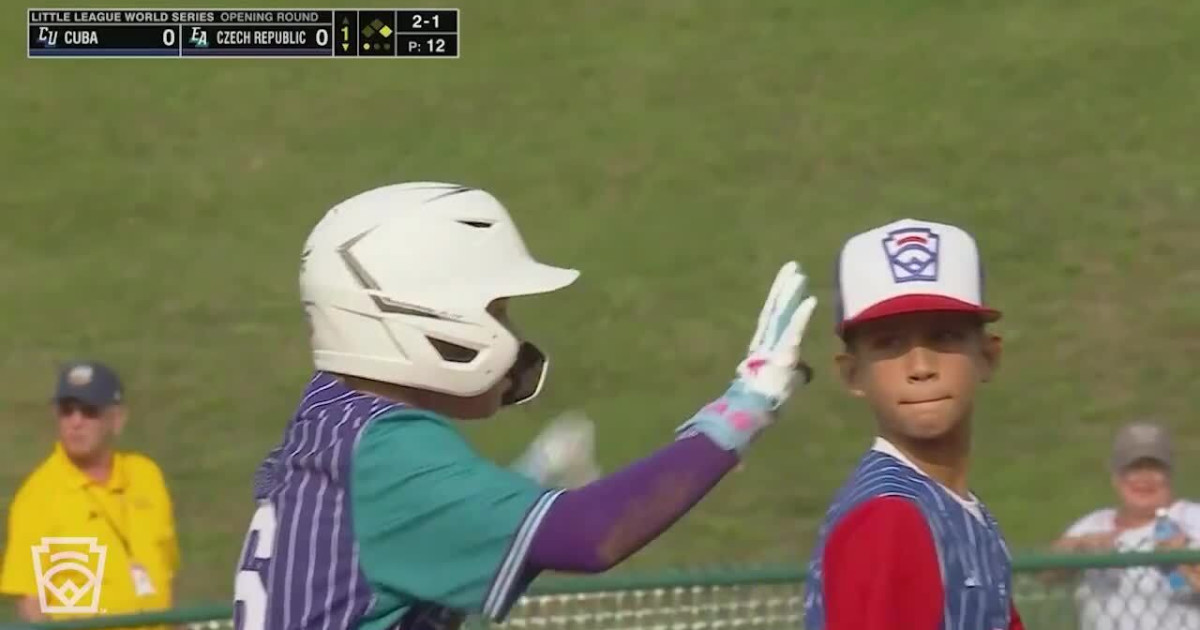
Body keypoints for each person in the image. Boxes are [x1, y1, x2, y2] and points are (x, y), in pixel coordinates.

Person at [231, 182, 819, 630]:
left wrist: (523, 481)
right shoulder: (385, 449)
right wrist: (748, 404)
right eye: (498, 310)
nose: (511, 336)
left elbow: (386, 559)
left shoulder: (331, 420)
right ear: (415, 314)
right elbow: (590, 536)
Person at [803, 218, 1025, 630]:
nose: (921, 367)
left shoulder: (959, 510)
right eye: (888, 343)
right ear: (852, 374)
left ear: (988, 357)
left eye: (944, 336)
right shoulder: (891, 518)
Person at [0, 361, 179, 626]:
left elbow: (165, 572)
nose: (76, 422)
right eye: (66, 411)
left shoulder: (146, 476)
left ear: (116, 419)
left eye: (89, 411)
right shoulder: (38, 497)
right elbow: (31, 602)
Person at [1051, 420, 1200, 630]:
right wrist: (1078, 548)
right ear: (1115, 477)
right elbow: (1047, 576)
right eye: (1134, 468)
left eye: (1154, 468)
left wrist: (1185, 561)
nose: (1144, 478)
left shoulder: (1193, 519)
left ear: (1169, 475)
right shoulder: (1095, 523)